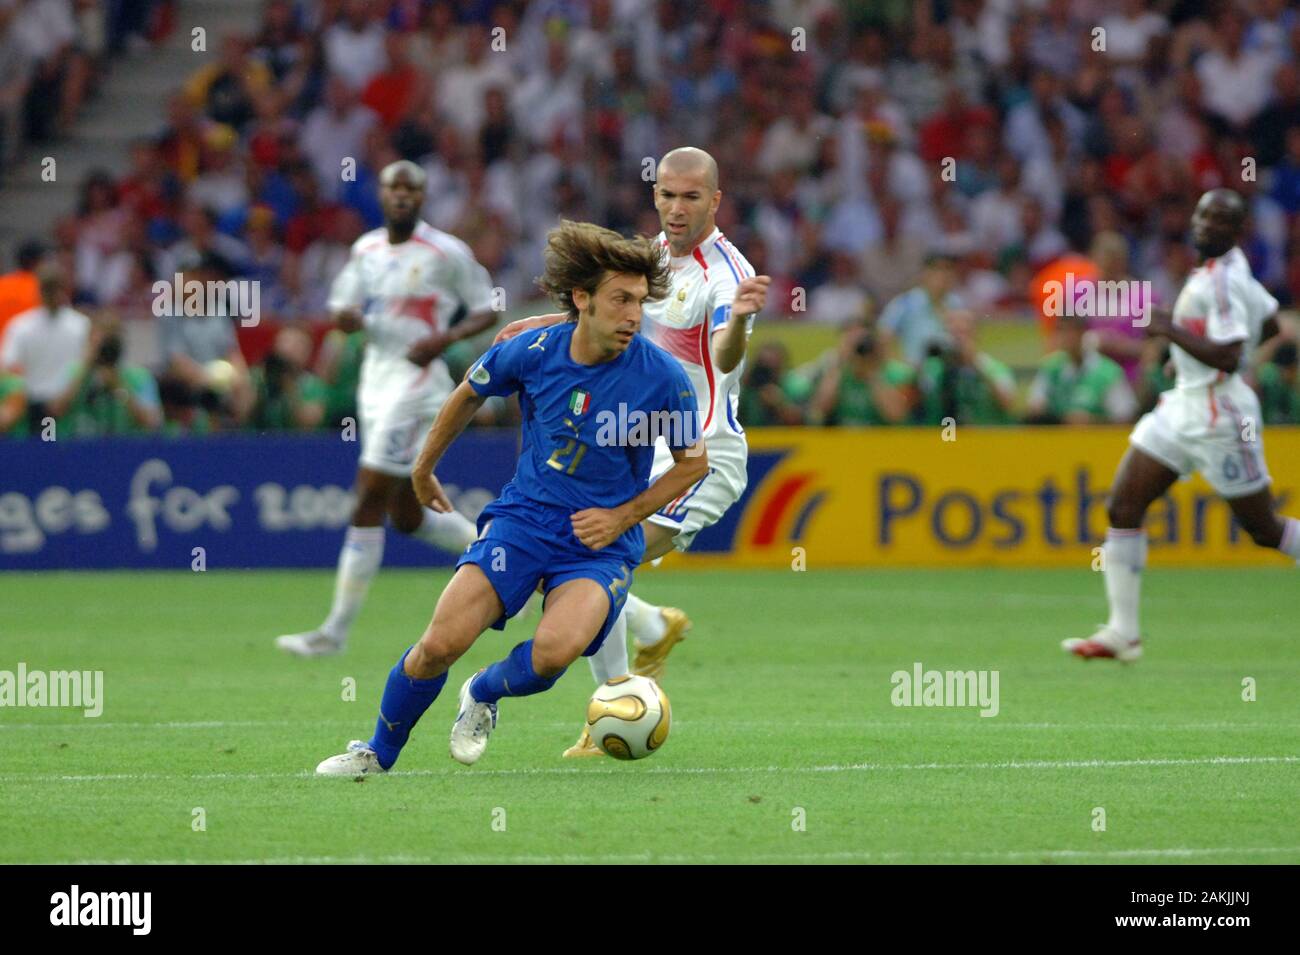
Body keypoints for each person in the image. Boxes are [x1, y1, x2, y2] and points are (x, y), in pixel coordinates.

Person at [314, 221, 706, 774]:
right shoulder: (534, 350)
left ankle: (482, 692)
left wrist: (624, 515)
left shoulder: (661, 377)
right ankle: (376, 754)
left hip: (600, 544)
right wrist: (424, 468)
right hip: (522, 523)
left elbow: (695, 463)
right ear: (582, 299)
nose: (633, 315)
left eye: (641, 302)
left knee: (551, 656)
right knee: (438, 644)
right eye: (621, 300)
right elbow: (468, 393)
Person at [491, 147, 770, 757]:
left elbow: (723, 356)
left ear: (715, 201)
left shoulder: (724, 272)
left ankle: (612, 702)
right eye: (667, 194)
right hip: (645, 451)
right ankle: (648, 630)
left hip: (703, 456)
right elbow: (609, 314)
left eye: (691, 196)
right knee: (579, 559)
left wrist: (744, 324)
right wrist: (541, 325)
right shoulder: (650, 260)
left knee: (592, 560)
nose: (676, 207)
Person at [1064, 190, 1300, 661]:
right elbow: (1271, 326)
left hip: (1219, 415)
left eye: (1219, 221)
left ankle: (1123, 631)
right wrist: (1187, 362)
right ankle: (1123, 633)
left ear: (1236, 233)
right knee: (1123, 505)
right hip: (1184, 405)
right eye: (1202, 216)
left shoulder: (1221, 282)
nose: (1205, 226)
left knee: (1263, 529)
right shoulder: (1227, 270)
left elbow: (1231, 356)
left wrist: (1170, 330)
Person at [275, 160, 495, 657]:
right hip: (375, 382)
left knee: (368, 496)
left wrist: (445, 338)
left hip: (416, 385)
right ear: (381, 195)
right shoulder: (366, 248)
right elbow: (340, 308)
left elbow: (488, 306)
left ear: (422, 197)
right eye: (393, 187)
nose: (401, 195)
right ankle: (501, 561)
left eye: (411, 188)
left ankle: (333, 632)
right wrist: (347, 318)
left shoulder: (445, 251)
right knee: (407, 516)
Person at [0, 261, 89, 434]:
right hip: (33, 406)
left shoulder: (80, 327)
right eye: (48, 289)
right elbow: (8, 368)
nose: (52, 295)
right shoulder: (21, 326)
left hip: (69, 405)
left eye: (55, 288)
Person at [47, 316, 162, 436]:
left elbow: (152, 422)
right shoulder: (72, 372)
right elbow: (54, 411)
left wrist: (120, 387)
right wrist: (85, 370)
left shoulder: (138, 377)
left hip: (125, 449)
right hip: (78, 447)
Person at [1023, 313, 1137, 424]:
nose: (1066, 337)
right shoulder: (1051, 368)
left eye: (1071, 331)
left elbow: (1125, 418)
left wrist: (1092, 422)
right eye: (1061, 331)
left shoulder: (1108, 372)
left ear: (1083, 332)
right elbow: (1035, 405)